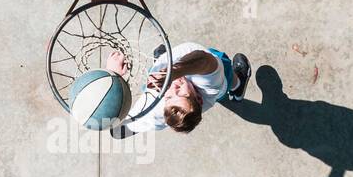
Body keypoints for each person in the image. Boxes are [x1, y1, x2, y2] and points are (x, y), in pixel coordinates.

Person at [107, 43, 250, 137]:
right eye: (181, 93)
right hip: (217, 79)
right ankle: (238, 87)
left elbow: (117, 132)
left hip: (167, 72)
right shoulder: (210, 84)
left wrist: (113, 77)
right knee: (228, 74)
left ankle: (161, 60)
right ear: (199, 98)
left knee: (155, 76)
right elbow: (204, 60)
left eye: (168, 98)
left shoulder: (155, 115)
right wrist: (173, 72)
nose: (172, 88)